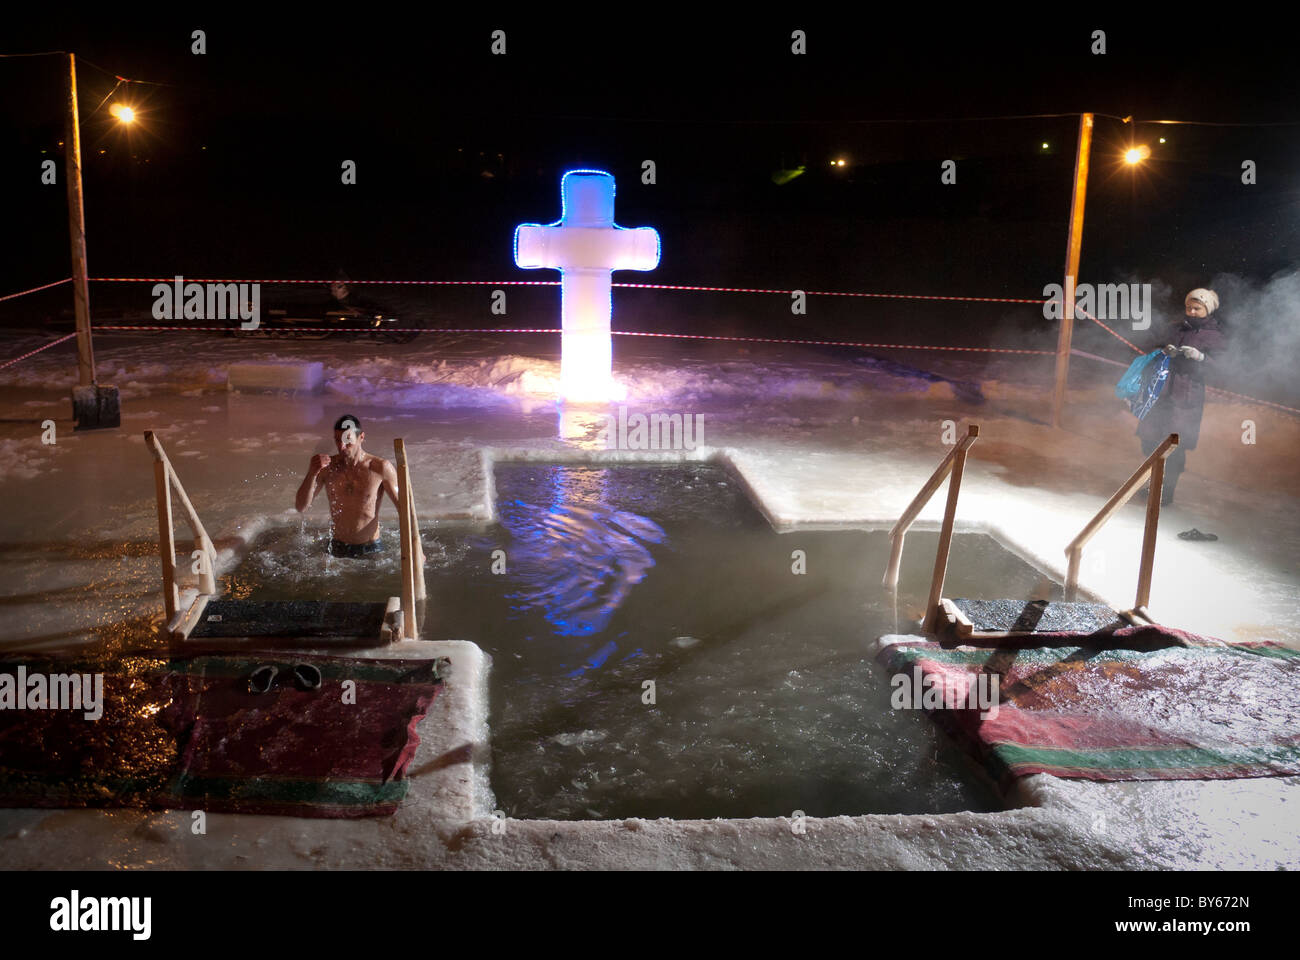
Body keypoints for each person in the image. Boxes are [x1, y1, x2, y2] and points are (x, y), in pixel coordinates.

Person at [1134, 288, 1227, 506]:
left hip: (1186, 399)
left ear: (1208, 310)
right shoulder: (1174, 328)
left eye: (1197, 308)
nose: (1192, 312)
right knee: (1149, 441)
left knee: (1173, 446)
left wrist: (1201, 357)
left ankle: (1165, 493)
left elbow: (1223, 368)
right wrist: (1163, 351)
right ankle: (1153, 484)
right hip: (1161, 393)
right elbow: (1152, 350)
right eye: (1189, 307)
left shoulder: (1215, 337)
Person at [295, 414, 401, 557]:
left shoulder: (380, 467)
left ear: (361, 437)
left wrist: (416, 547)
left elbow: (405, 510)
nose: (341, 446)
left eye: (347, 441)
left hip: (370, 548)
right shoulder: (327, 468)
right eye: (338, 440)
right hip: (337, 547)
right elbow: (301, 506)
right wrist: (312, 473)